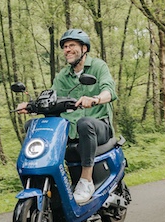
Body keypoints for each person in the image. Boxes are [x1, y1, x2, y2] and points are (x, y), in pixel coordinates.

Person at [17, 28, 117, 205]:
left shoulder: (98, 66)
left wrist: (95, 99)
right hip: (71, 130)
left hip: (99, 125)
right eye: (64, 47)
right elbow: (53, 99)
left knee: (85, 124)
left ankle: (86, 181)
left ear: (84, 49)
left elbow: (109, 91)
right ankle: (52, 183)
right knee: (34, 126)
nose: (67, 50)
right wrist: (31, 106)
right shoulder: (63, 75)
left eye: (72, 45)